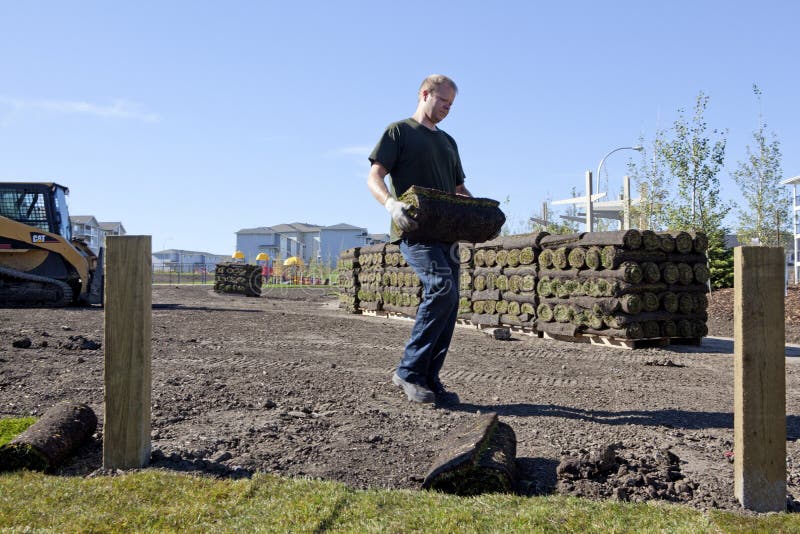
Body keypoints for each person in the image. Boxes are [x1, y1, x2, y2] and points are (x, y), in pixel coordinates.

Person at [367, 74, 472, 404]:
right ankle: (409, 372)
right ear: (425, 94)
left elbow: (458, 190)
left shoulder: (448, 142)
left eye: (451, 105)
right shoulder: (399, 132)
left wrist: (479, 213)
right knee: (441, 288)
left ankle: (429, 376)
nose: (447, 109)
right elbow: (374, 176)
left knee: (450, 299)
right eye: (443, 101)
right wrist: (390, 204)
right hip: (414, 230)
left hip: (446, 234)